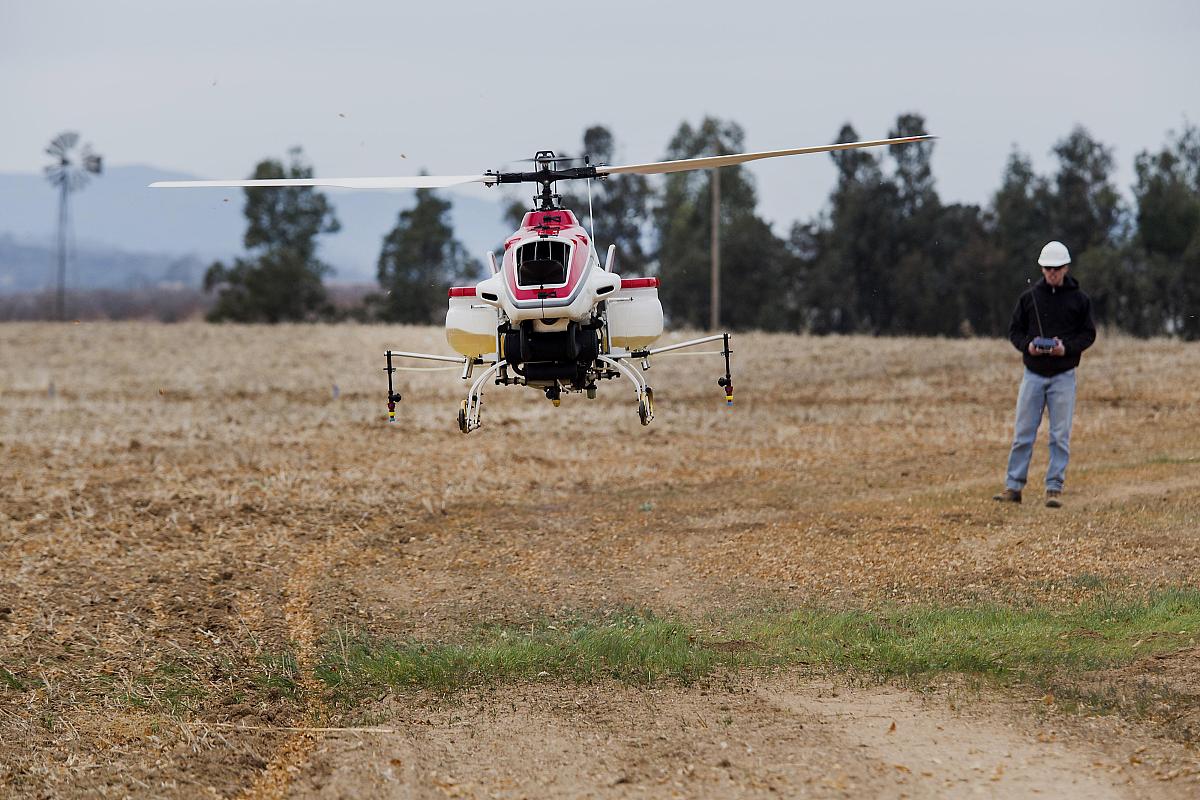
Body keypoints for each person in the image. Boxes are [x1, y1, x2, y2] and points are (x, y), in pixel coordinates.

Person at [993, 240, 1096, 508]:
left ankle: (1054, 488)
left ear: (1066, 268)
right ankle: (1013, 487)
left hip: (1064, 376)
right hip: (1033, 374)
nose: (1052, 272)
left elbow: (1088, 334)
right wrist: (1028, 346)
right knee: (1023, 433)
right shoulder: (1028, 299)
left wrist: (1066, 349)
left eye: (1057, 268)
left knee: (1059, 434)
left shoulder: (1080, 300)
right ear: (1041, 269)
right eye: (1048, 268)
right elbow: (1014, 331)